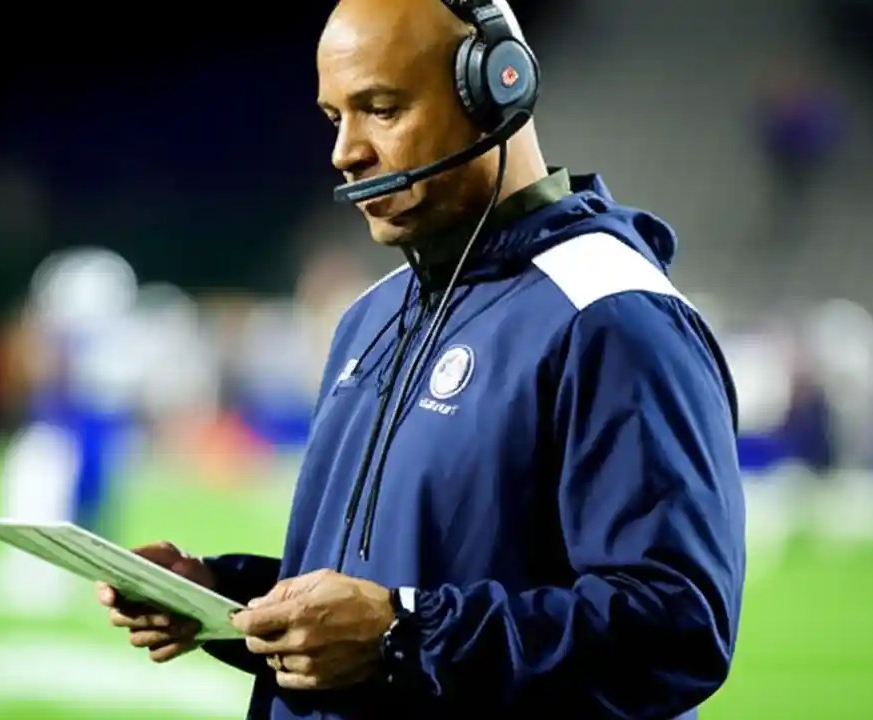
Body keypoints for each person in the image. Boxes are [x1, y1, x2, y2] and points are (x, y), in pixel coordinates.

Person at [98, 0, 746, 717]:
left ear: (496, 89)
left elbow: (676, 627)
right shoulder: (372, 316)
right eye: (334, 118)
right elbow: (389, 588)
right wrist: (224, 595)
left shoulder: (610, 315)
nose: (345, 151)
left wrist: (402, 635)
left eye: (380, 109)